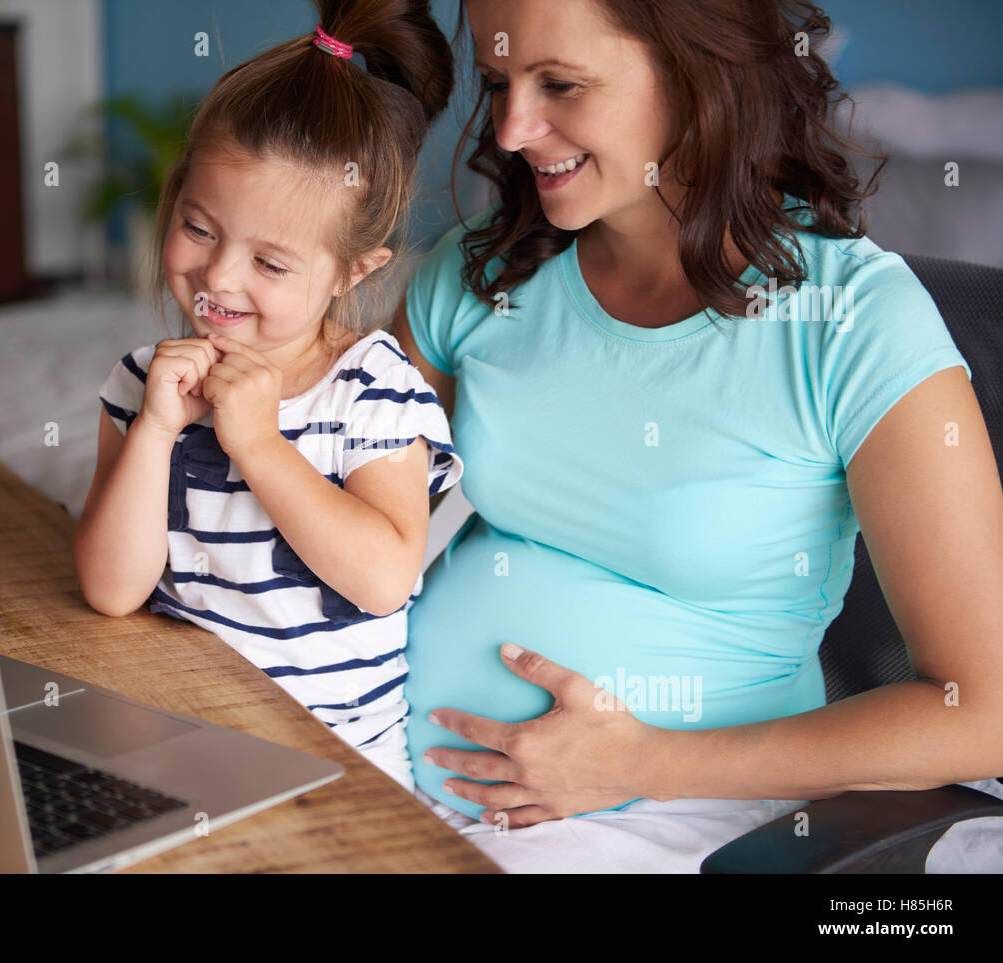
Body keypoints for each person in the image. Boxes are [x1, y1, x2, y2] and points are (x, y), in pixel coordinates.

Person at [394, 0, 1003, 872]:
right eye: (499, 84)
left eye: (561, 84)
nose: (514, 128)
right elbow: (348, 525)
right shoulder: (480, 270)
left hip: (680, 823)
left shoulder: (857, 324)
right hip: (388, 787)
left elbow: (982, 709)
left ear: (697, 73)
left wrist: (645, 762)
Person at [73, 0, 463, 793]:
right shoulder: (144, 381)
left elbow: (385, 576)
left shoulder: (372, 391)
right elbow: (111, 590)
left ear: (354, 271)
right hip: (179, 742)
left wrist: (258, 444)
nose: (218, 278)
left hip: (339, 774)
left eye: (271, 264)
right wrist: (154, 431)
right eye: (199, 227)